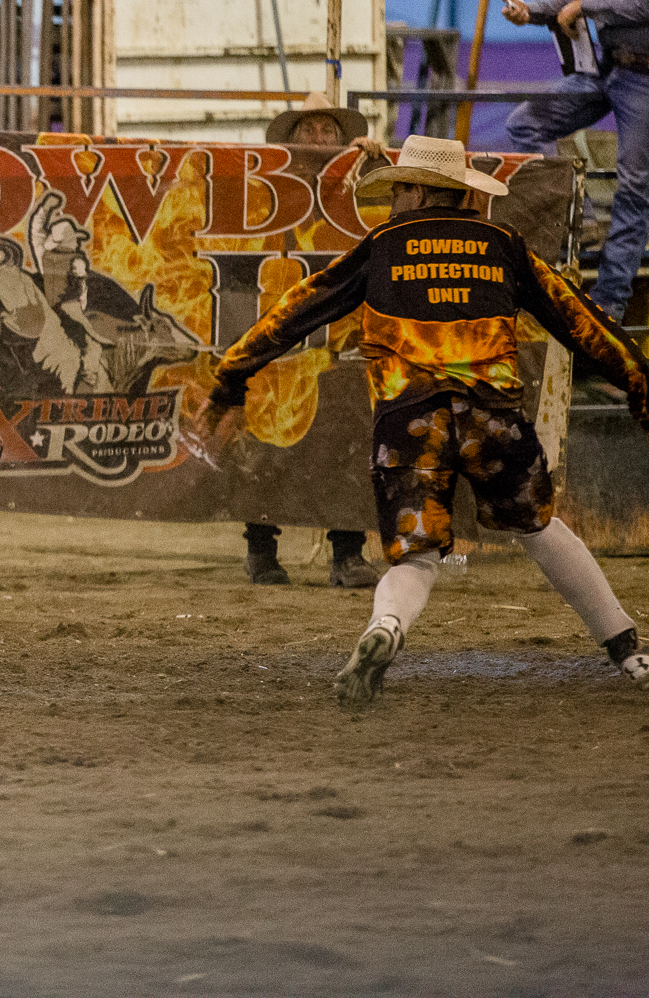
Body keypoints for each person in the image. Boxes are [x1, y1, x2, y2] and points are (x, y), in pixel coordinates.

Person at [190, 135, 649, 708]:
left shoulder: (382, 245)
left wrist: (231, 377)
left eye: (399, 189)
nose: (393, 200)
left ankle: (384, 629)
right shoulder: (502, 243)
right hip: (492, 415)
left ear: (418, 190)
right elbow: (578, 319)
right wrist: (638, 381)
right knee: (538, 527)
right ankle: (628, 650)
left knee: (418, 555)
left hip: (410, 419)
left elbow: (297, 310)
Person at [238, 90, 378, 589]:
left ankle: (347, 552)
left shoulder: (363, 185)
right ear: (292, 139)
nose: (319, 140)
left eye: (328, 132)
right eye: (309, 131)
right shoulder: (263, 190)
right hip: (279, 333)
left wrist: (372, 161)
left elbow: (399, 196)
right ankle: (261, 549)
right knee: (266, 441)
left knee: (348, 435)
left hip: (339, 339)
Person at [501, 0, 649, 324]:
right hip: (606, 70)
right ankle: (576, 223)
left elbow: (641, 2)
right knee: (524, 122)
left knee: (633, 187)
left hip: (643, 77)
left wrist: (584, 5)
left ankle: (607, 308)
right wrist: (532, 11)